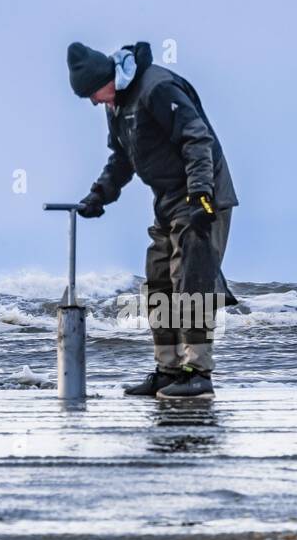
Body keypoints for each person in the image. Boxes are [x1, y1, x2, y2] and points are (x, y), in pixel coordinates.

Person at [67, 40, 238, 398]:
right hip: (168, 200)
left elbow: (197, 139)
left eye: (94, 94)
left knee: (191, 280)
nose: (95, 102)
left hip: (202, 195)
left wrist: (202, 196)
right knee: (158, 279)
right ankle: (169, 369)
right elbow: (122, 158)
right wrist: (99, 195)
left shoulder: (156, 88)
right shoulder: (116, 105)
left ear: (107, 77)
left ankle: (197, 373)